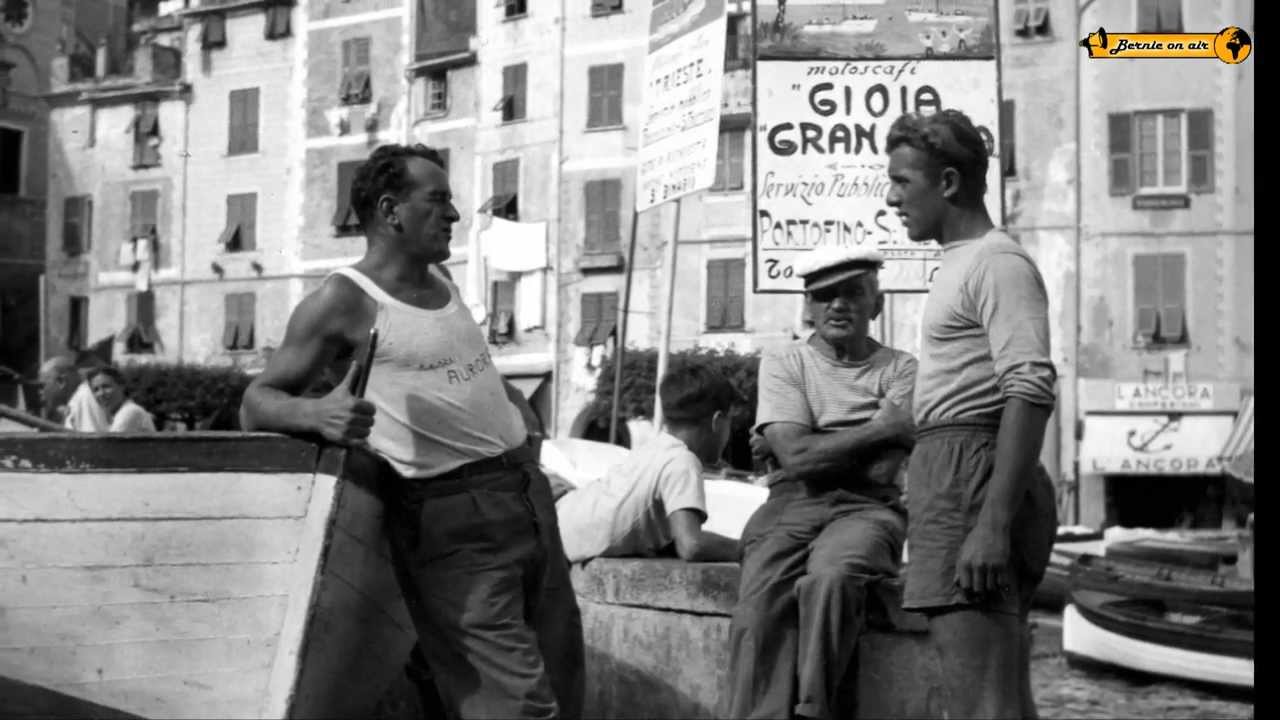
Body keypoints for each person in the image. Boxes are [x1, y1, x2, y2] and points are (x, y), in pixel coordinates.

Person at [239, 143, 583, 720]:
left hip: (525, 495)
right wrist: (318, 415)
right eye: (439, 200)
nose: (454, 214)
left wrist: (518, 419)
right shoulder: (343, 300)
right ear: (391, 210)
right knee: (516, 706)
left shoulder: (443, 279)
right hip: (454, 520)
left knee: (563, 675)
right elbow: (255, 402)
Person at [884, 109, 1058, 719]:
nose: (891, 196)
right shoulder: (961, 262)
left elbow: (1031, 389)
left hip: (970, 479)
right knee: (998, 701)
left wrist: (990, 524)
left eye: (903, 181)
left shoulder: (995, 263)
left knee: (983, 705)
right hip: (950, 475)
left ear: (949, 184)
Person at [726, 247, 918, 720]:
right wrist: (879, 430)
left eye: (854, 292)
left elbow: (874, 473)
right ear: (807, 307)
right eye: (825, 295)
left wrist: (808, 444)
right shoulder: (785, 361)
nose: (838, 305)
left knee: (832, 580)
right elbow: (798, 457)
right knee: (758, 609)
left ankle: (815, 710)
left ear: (877, 304)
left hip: (868, 509)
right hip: (791, 504)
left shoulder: (903, 368)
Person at [555, 363, 741, 564]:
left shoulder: (654, 450)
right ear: (717, 421)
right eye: (730, 421)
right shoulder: (683, 461)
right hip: (554, 550)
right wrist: (750, 548)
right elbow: (691, 545)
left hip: (555, 527)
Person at [85, 366, 156, 432]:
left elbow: (109, 444)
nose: (101, 393)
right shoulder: (115, 414)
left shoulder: (130, 411)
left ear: (121, 386)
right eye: (96, 390)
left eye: (106, 386)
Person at [37, 355, 81, 424]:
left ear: (61, 381)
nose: (40, 392)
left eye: (42, 386)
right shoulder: (54, 415)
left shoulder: (84, 408)